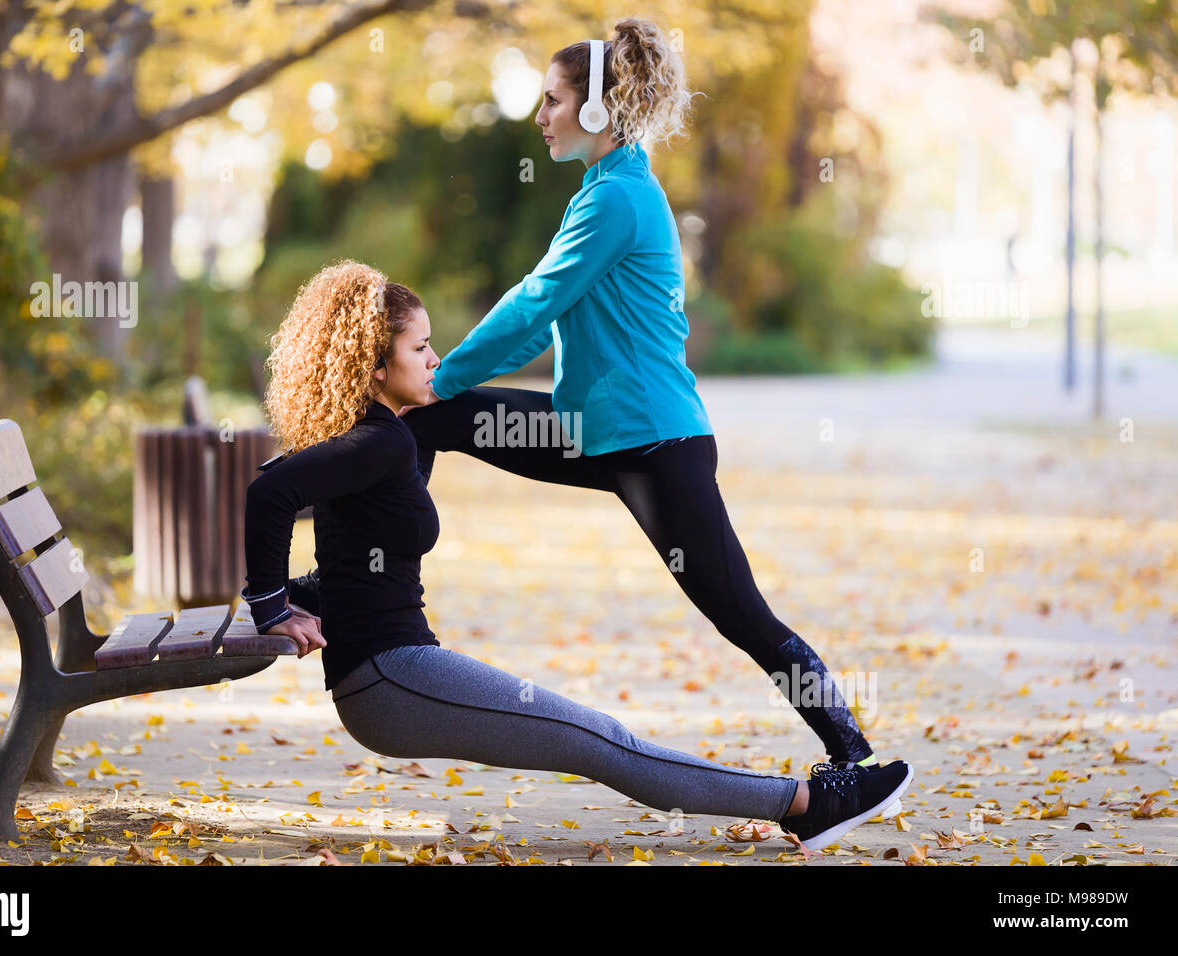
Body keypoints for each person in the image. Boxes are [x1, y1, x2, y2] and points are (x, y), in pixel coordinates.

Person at [291, 20, 896, 803]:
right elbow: (541, 308)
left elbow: (536, 306)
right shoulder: (607, 187)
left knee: (740, 612)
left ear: (598, 110)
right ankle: (351, 582)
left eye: (553, 100)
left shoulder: (618, 199)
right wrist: (439, 394)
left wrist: (446, 374)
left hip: (654, 445)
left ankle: (854, 755)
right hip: (586, 432)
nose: (541, 115)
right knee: (422, 419)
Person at [240, 259, 913, 853]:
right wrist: (272, 606)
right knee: (600, 741)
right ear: (376, 366)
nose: (437, 359)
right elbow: (271, 492)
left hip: (393, 676)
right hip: (391, 680)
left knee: (599, 736)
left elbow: (342, 526)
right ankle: (811, 804)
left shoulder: (380, 434)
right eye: (422, 348)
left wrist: (309, 593)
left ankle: (823, 783)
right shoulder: (379, 443)